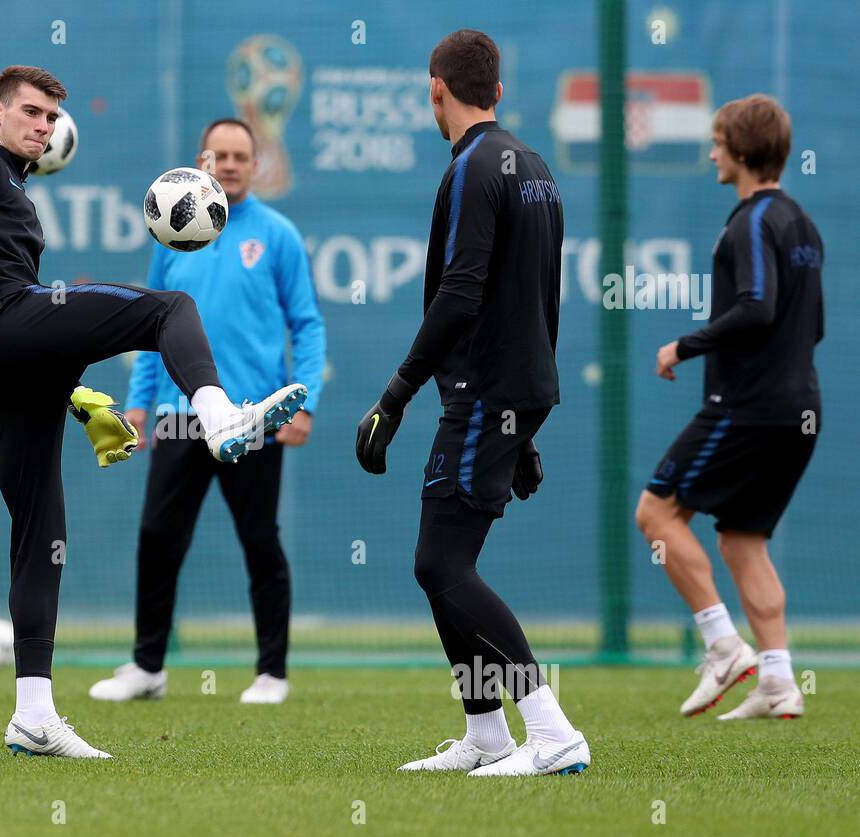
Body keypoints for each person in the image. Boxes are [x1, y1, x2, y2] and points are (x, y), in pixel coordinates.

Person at [0, 66, 306, 759]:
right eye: (31, 113)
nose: (42, 126)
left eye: (50, 118)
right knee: (171, 308)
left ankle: (33, 716)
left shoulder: (17, 191)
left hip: (2, 369)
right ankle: (219, 414)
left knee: (42, 536)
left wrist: (73, 392)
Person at [354, 29, 589, 776]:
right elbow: (541, 298)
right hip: (515, 392)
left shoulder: (471, 168)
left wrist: (395, 394)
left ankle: (550, 731)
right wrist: (525, 424)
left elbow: (461, 293)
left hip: (486, 391)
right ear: (498, 88)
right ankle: (487, 733)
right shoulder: (537, 168)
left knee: (442, 563)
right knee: (443, 563)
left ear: (436, 89)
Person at [88, 118, 326, 706]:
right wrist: (141, 405)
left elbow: (308, 325)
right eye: (219, 154)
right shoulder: (173, 233)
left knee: (259, 542)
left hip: (254, 419)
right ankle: (148, 668)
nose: (229, 164)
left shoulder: (278, 235)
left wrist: (306, 403)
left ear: (254, 162)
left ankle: (271, 673)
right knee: (157, 537)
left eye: (241, 155)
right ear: (202, 159)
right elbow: (151, 327)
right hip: (179, 416)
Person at [637, 94, 822, 720]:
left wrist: (683, 346)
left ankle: (722, 646)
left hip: (747, 409)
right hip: (800, 410)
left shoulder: (749, 222)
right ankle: (777, 681)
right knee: (743, 541)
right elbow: (811, 325)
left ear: (740, 152)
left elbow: (757, 307)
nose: (712, 151)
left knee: (656, 513)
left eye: (718, 142)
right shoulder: (802, 223)